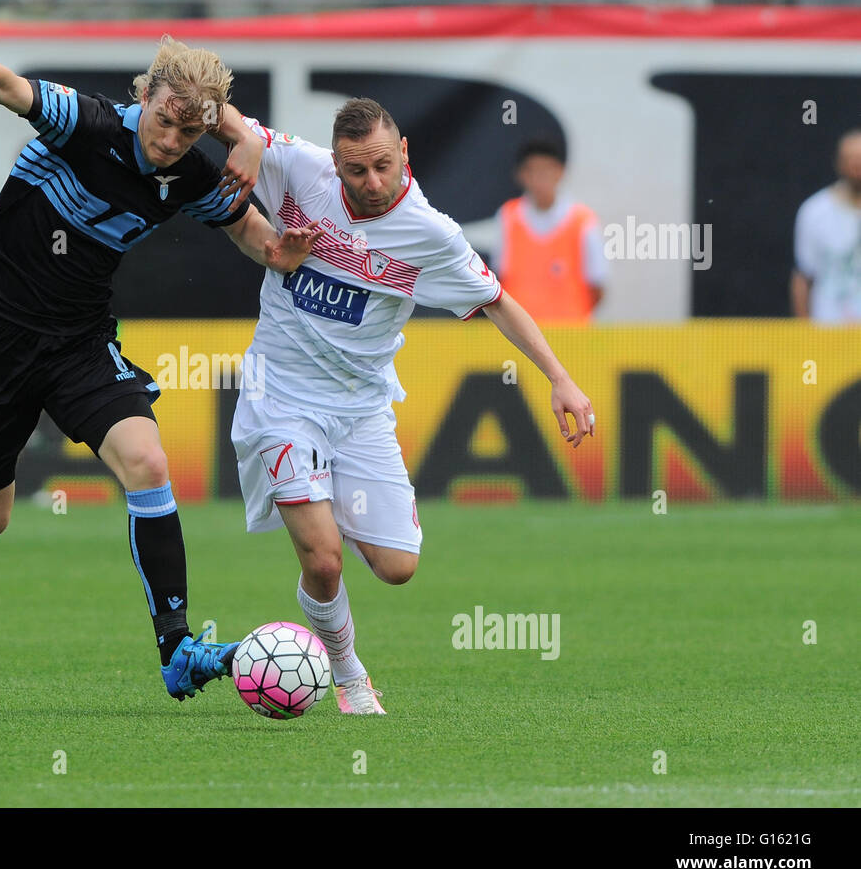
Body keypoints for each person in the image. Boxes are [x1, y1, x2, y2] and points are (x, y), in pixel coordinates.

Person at [0, 9, 322, 700]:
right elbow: (1, 86)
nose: (170, 140)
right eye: (164, 119)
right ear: (145, 97)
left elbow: (248, 231)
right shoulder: (89, 123)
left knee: (147, 461)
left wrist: (277, 251)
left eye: (190, 129)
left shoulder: (192, 176)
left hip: (79, 340)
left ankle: (178, 649)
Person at [212, 98, 594, 714]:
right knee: (325, 558)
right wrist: (244, 138)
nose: (371, 183)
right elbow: (210, 105)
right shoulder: (299, 167)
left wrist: (560, 379)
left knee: (397, 566)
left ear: (405, 154)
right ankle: (349, 675)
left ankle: (320, 490)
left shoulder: (430, 235)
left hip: (360, 408)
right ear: (333, 162)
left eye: (383, 167)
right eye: (355, 171)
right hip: (280, 393)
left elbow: (497, 300)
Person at [490, 138, 606, 324]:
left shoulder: (583, 220)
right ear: (521, 175)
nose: (539, 178)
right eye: (532, 170)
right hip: (521, 340)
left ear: (560, 172)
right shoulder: (507, 217)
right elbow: (499, 279)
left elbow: (597, 286)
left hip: (572, 338)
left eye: (546, 169)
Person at [792, 128, 861, 323]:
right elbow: (803, 276)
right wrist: (804, 334)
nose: (857, 165)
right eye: (851, 159)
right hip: (827, 334)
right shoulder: (814, 211)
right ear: (838, 162)